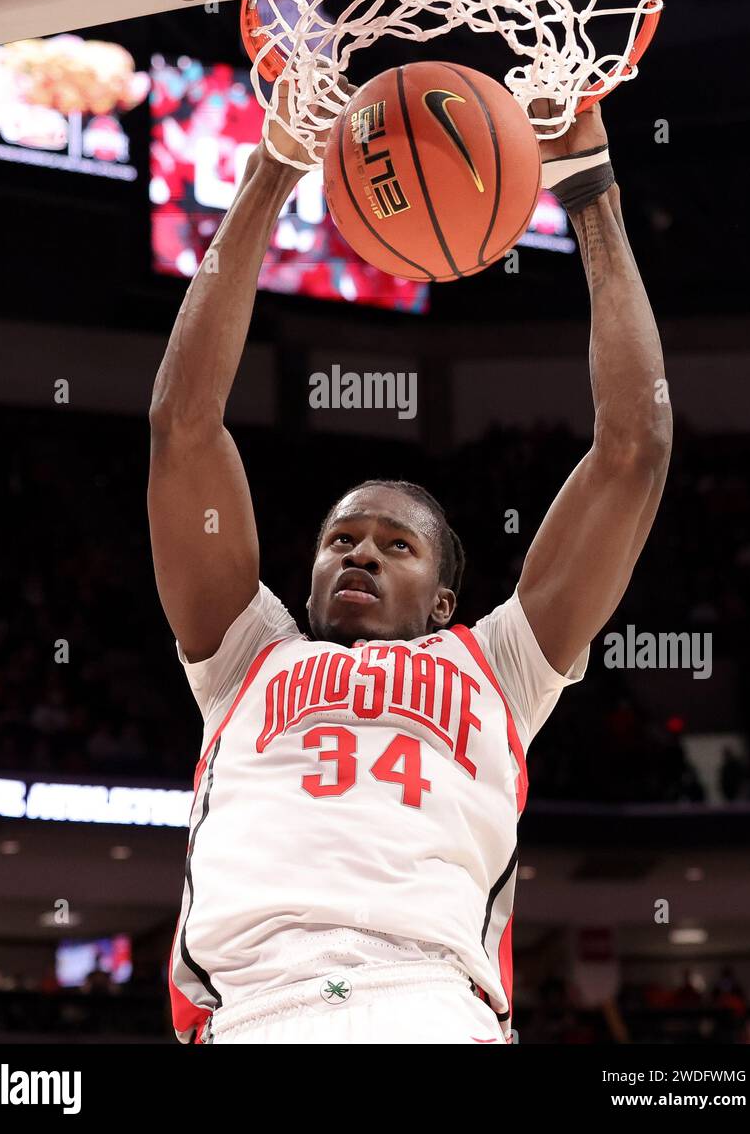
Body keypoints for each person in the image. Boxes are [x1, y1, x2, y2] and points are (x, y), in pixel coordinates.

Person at [148, 81, 672, 1045]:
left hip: (431, 1008)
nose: (359, 553)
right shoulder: (244, 655)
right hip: (259, 1009)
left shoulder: (500, 666)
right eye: (341, 539)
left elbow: (634, 446)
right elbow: (184, 427)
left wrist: (588, 187)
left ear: (442, 602)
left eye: (396, 546)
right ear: (303, 577)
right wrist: (274, 165)